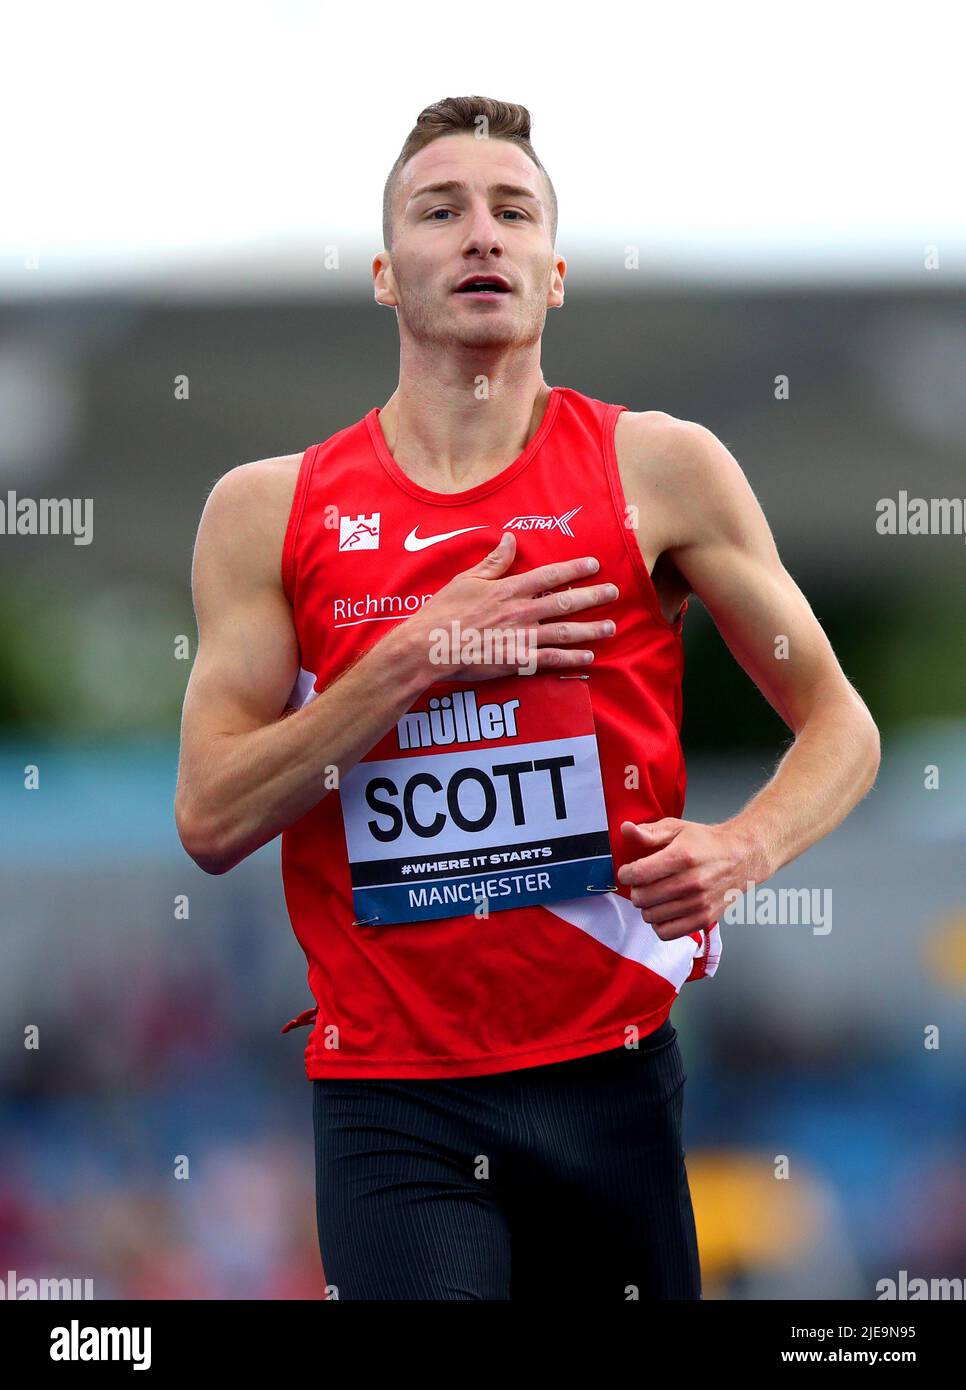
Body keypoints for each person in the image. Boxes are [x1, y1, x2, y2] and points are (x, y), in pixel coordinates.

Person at [175, 95, 880, 1300]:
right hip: (393, 1093)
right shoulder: (269, 508)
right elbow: (213, 817)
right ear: (388, 275)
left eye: (513, 212)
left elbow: (844, 724)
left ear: (555, 275)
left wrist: (741, 847)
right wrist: (416, 652)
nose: (481, 236)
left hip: (610, 1072)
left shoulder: (658, 467)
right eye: (440, 211)